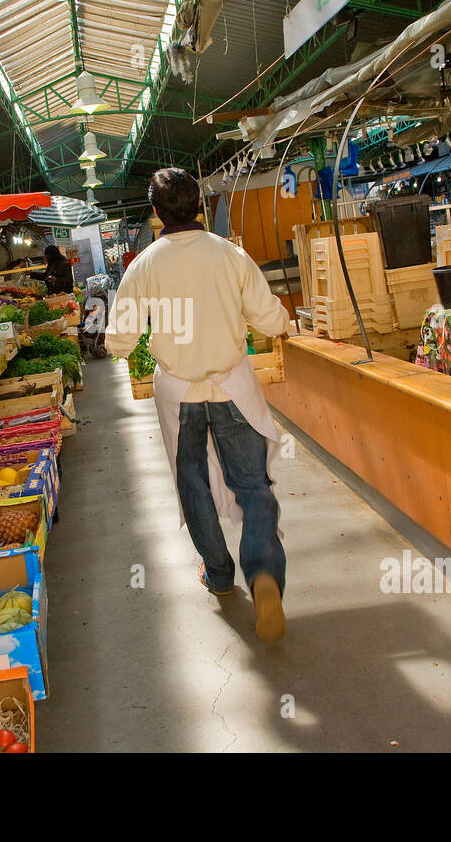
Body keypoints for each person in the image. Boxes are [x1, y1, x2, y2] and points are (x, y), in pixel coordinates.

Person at [105, 167, 291, 642]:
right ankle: (265, 575)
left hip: (180, 396)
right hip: (233, 389)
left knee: (193, 486)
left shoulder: (143, 265)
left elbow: (120, 342)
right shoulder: (230, 255)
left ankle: (219, 575)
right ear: (200, 207)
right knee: (252, 488)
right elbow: (270, 321)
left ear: (155, 213)